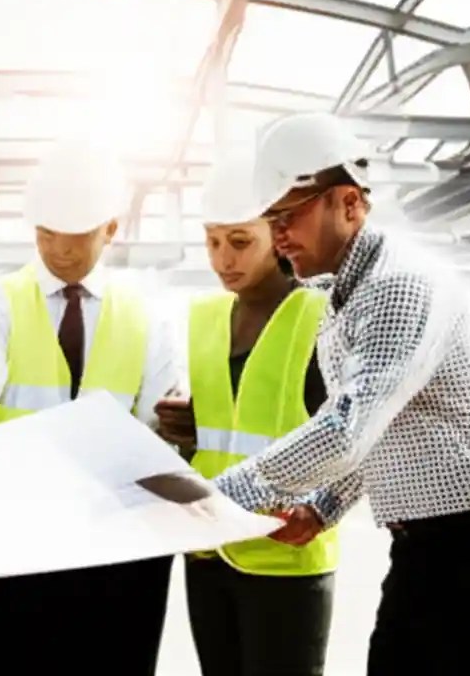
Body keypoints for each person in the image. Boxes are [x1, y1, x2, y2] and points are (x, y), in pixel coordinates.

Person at [210, 112, 470, 676]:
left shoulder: (399, 285)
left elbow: (348, 427)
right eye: (271, 218)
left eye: (288, 214)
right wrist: (322, 508)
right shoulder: (339, 296)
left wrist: (222, 495)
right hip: (421, 550)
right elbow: (381, 428)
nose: (278, 233)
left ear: (349, 203)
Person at [0, 140, 180, 676]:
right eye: (45, 234)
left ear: (111, 228)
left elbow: (161, 420)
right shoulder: (0, 302)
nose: (59, 251)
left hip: (120, 554)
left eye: (76, 237)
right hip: (20, 545)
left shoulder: (145, 316)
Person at [155, 150, 337, 676]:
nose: (222, 259)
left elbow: (349, 432)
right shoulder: (204, 318)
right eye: (212, 241)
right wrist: (183, 428)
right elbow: (225, 423)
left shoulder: (319, 315)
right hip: (209, 549)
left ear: (278, 235)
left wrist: (322, 509)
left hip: (285, 549)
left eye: (239, 242)